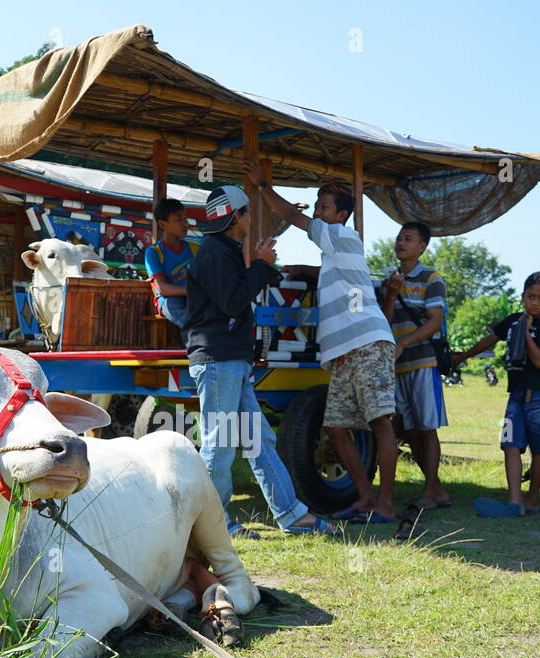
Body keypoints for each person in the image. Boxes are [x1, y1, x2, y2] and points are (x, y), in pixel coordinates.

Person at [245, 158, 399, 524]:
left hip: (367, 344)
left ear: (342, 215)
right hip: (345, 352)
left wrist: (264, 186)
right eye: (316, 207)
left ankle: (386, 505)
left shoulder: (343, 236)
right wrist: (305, 271)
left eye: (324, 208)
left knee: (380, 423)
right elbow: (337, 274)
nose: (316, 213)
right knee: (334, 426)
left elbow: (294, 218)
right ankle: (364, 498)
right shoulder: (337, 249)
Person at [182, 183, 336, 537]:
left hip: (228, 359)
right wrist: (263, 266)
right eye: (248, 211)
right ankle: (213, 525)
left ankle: (291, 514)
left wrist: (259, 265)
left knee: (257, 440)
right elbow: (234, 302)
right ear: (237, 216)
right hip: (219, 359)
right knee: (219, 444)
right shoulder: (215, 252)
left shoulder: (223, 250)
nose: (251, 217)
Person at [454, 272, 540, 517]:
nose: (534, 302)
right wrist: (461, 357)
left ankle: (533, 499)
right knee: (510, 444)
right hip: (515, 395)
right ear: (523, 296)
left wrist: (525, 334)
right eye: (530, 296)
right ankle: (515, 500)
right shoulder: (513, 321)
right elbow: (488, 340)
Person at [376, 221, 451, 512]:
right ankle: (436, 489)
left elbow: (434, 321)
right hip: (397, 364)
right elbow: (386, 318)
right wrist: (392, 294)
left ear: (422, 246)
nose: (400, 243)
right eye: (398, 238)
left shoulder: (432, 278)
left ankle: (432, 490)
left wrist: (405, 342)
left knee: (427, 427)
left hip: (421, 361)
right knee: (410, 429)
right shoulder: (389, 280)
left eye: (408, 239)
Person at [144, 198, 197, 330]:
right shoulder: (154, 252)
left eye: (185, 219)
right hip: (169, 299)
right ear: (162, 225)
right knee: (173, 306)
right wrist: (191, 291)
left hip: (194, 297)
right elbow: (162, 288)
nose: (186, 224)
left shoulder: (196, 249)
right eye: (179, 220)